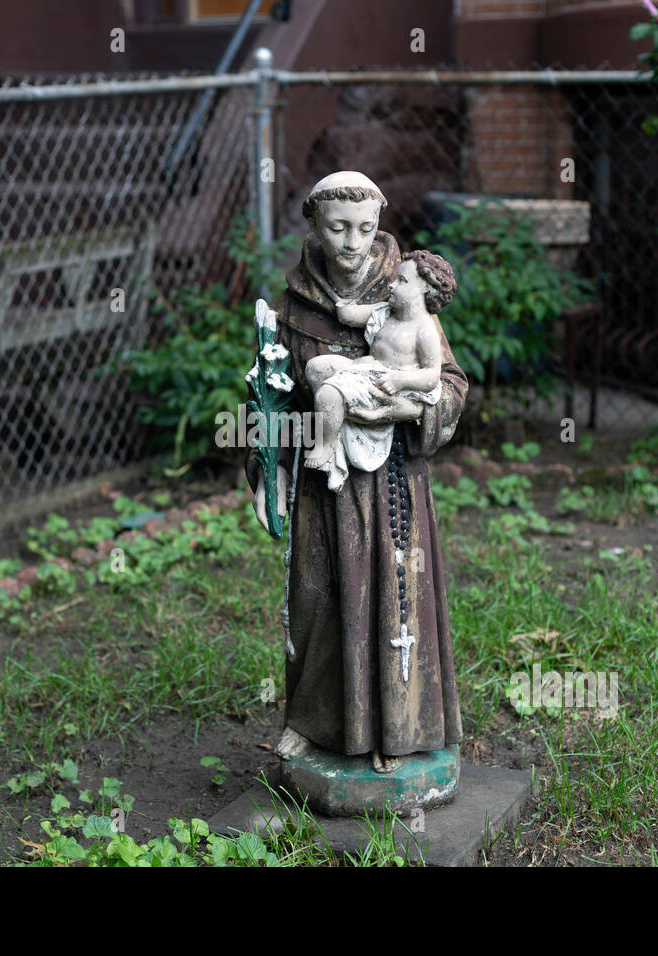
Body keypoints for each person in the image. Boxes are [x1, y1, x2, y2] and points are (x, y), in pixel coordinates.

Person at [246, 171, 467, 774]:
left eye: (365, 230)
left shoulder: (407, 295)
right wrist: (271, 476)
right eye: (338, 228)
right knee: (318, 602)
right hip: (323, 484)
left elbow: (447, 383)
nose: (352, 243)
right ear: (314, 226)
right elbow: (273, 398)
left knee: (396, 604)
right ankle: (312, 726)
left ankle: (399, 729)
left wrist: (410, 409)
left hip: (394, 482)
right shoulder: (293, 308)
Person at [302, 250, 456, 492]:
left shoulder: (424, 330)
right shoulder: (387, 311)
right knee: (316, 368)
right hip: (366, 368)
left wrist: (400, 380)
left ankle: (327, 449)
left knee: (327, 395)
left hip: (382, 381)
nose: (392, 285)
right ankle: (338, 421)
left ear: (425, 289)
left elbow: (431, 376)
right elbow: (352, 316)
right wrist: (343, 305)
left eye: (402, 281)